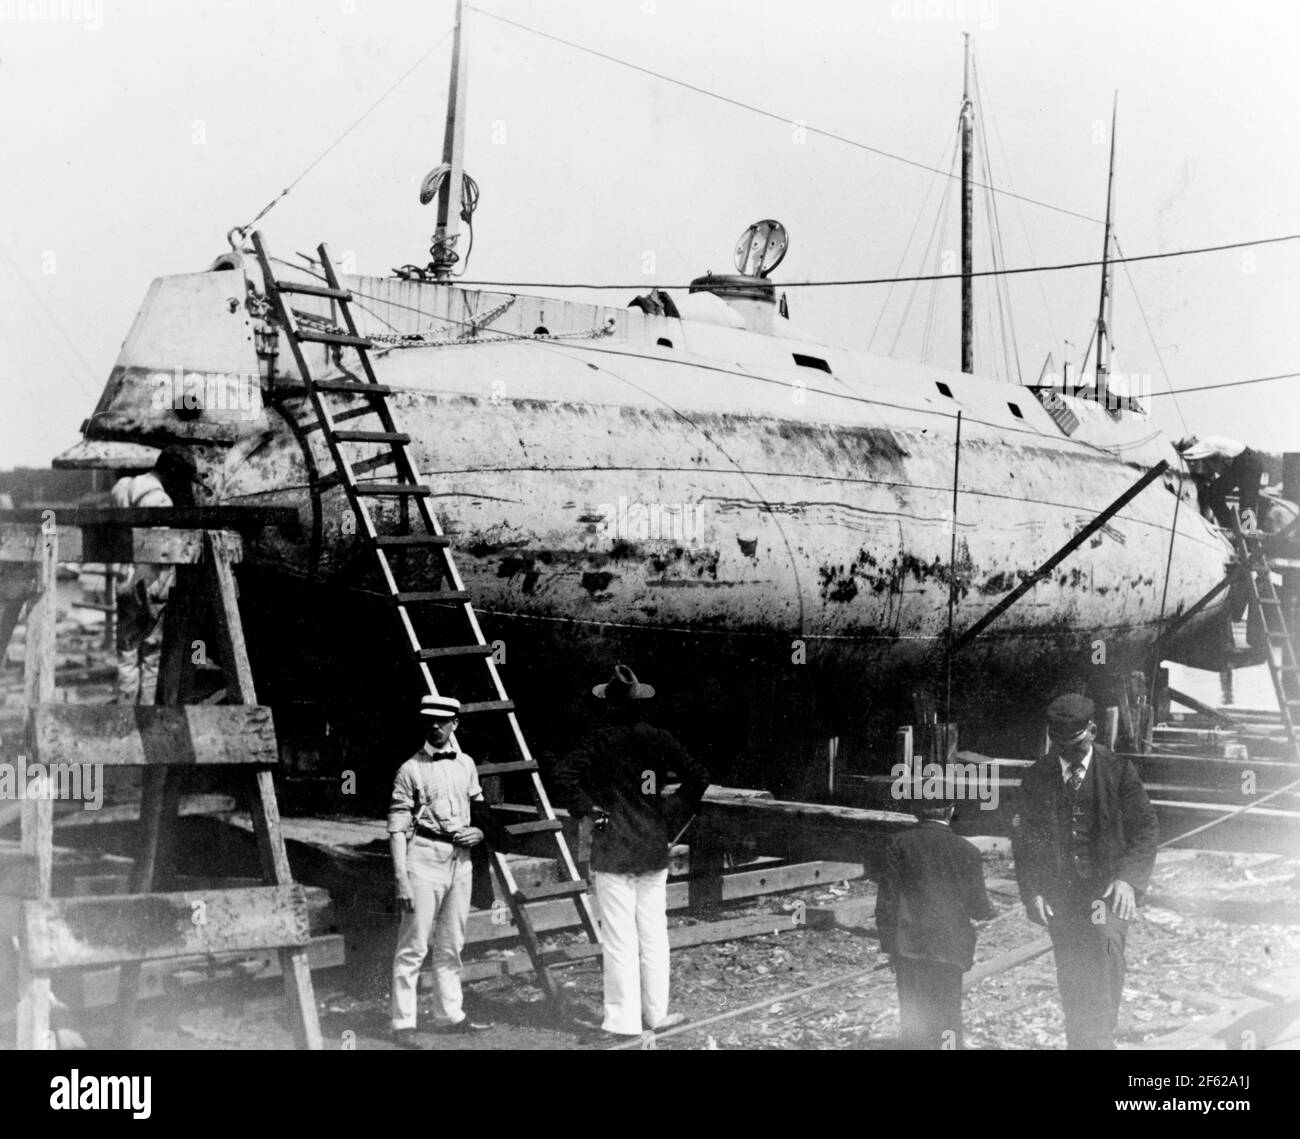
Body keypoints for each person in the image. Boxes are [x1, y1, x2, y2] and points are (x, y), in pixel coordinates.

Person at [551, 664, 710, 1041]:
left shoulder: (599, 741)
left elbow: (562, 776)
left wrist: (589, 810)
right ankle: (657, 1014)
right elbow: (698, 778)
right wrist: (667, 816)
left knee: (620, 939)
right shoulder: (660, 739)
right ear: (641, 704)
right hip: (652, 848)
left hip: (613, 850)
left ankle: (621, 1021)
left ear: (610, 704)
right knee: (654, 934)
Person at [1012, 693, 1158, 1049]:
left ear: (1092, 731)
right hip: (1062, 897)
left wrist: (1128, 879)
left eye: (1076, 746)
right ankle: (1083, 1042)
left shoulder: (1119, 771)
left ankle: (1098, 1041)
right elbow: (1024, 840)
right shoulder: (1037, 777)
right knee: (1073, 972)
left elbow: (1146, 829)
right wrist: (1033, 892)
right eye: (1061, 747)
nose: (1069, 754)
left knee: (1107, 955)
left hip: (1107, 891)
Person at [388, 693, 493, 1046]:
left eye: (443, 720)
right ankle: (403, 1023)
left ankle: (450, 1015)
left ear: (454, 724)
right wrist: (401, 878)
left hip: (460, 861)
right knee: (414, 945)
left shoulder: (466, 764)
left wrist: (479, 831)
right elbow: (397, 828)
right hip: (424, 858)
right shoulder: (410, 769)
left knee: (452, 944)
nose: (435, 726)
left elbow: (478, 809)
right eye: (429, 720)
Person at [875, 798, 992, 1049]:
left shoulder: (898, 843)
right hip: (949, 947)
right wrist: (987, 911)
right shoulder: (968, 850)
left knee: (913, 1019)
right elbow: (979, 908)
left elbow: (886, 903)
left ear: (916, 812)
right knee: (948, 1016)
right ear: (951, 811)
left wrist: (890, 947)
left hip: (909, 947)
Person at [110, 446, 197, 704]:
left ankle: (124, 717)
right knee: (150, 656)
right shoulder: (160, 501)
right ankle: (145, 721)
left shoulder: (121, 488)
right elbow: (160, 553)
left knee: (126, 653)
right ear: (171, 472)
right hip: (150, 584)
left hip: (124, 578)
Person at [1177, 435, 1264, 530]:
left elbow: (1189, 455)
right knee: (1219, 492)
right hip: (1246, 462)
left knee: (1245, 499)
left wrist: (1177, 455)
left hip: (1247, 462)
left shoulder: (1207, 444)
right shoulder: (1211, 452)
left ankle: (1245, 529)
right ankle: (1231, 525)